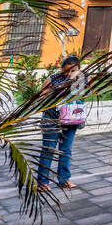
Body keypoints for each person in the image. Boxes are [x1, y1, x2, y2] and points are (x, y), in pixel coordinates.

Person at [37, 54, 84, 191]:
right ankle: (42, 182)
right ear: (61, 68)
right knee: (48, 150)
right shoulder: (53, 78)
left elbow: (81, 95)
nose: (69, 73)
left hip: (70, 121)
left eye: (73, 70)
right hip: (51, 119)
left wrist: (73, 79)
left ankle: (64, 179)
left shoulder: (79, 79)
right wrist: (54, 90)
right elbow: (40, 96)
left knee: (66, 151)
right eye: (67, 70)